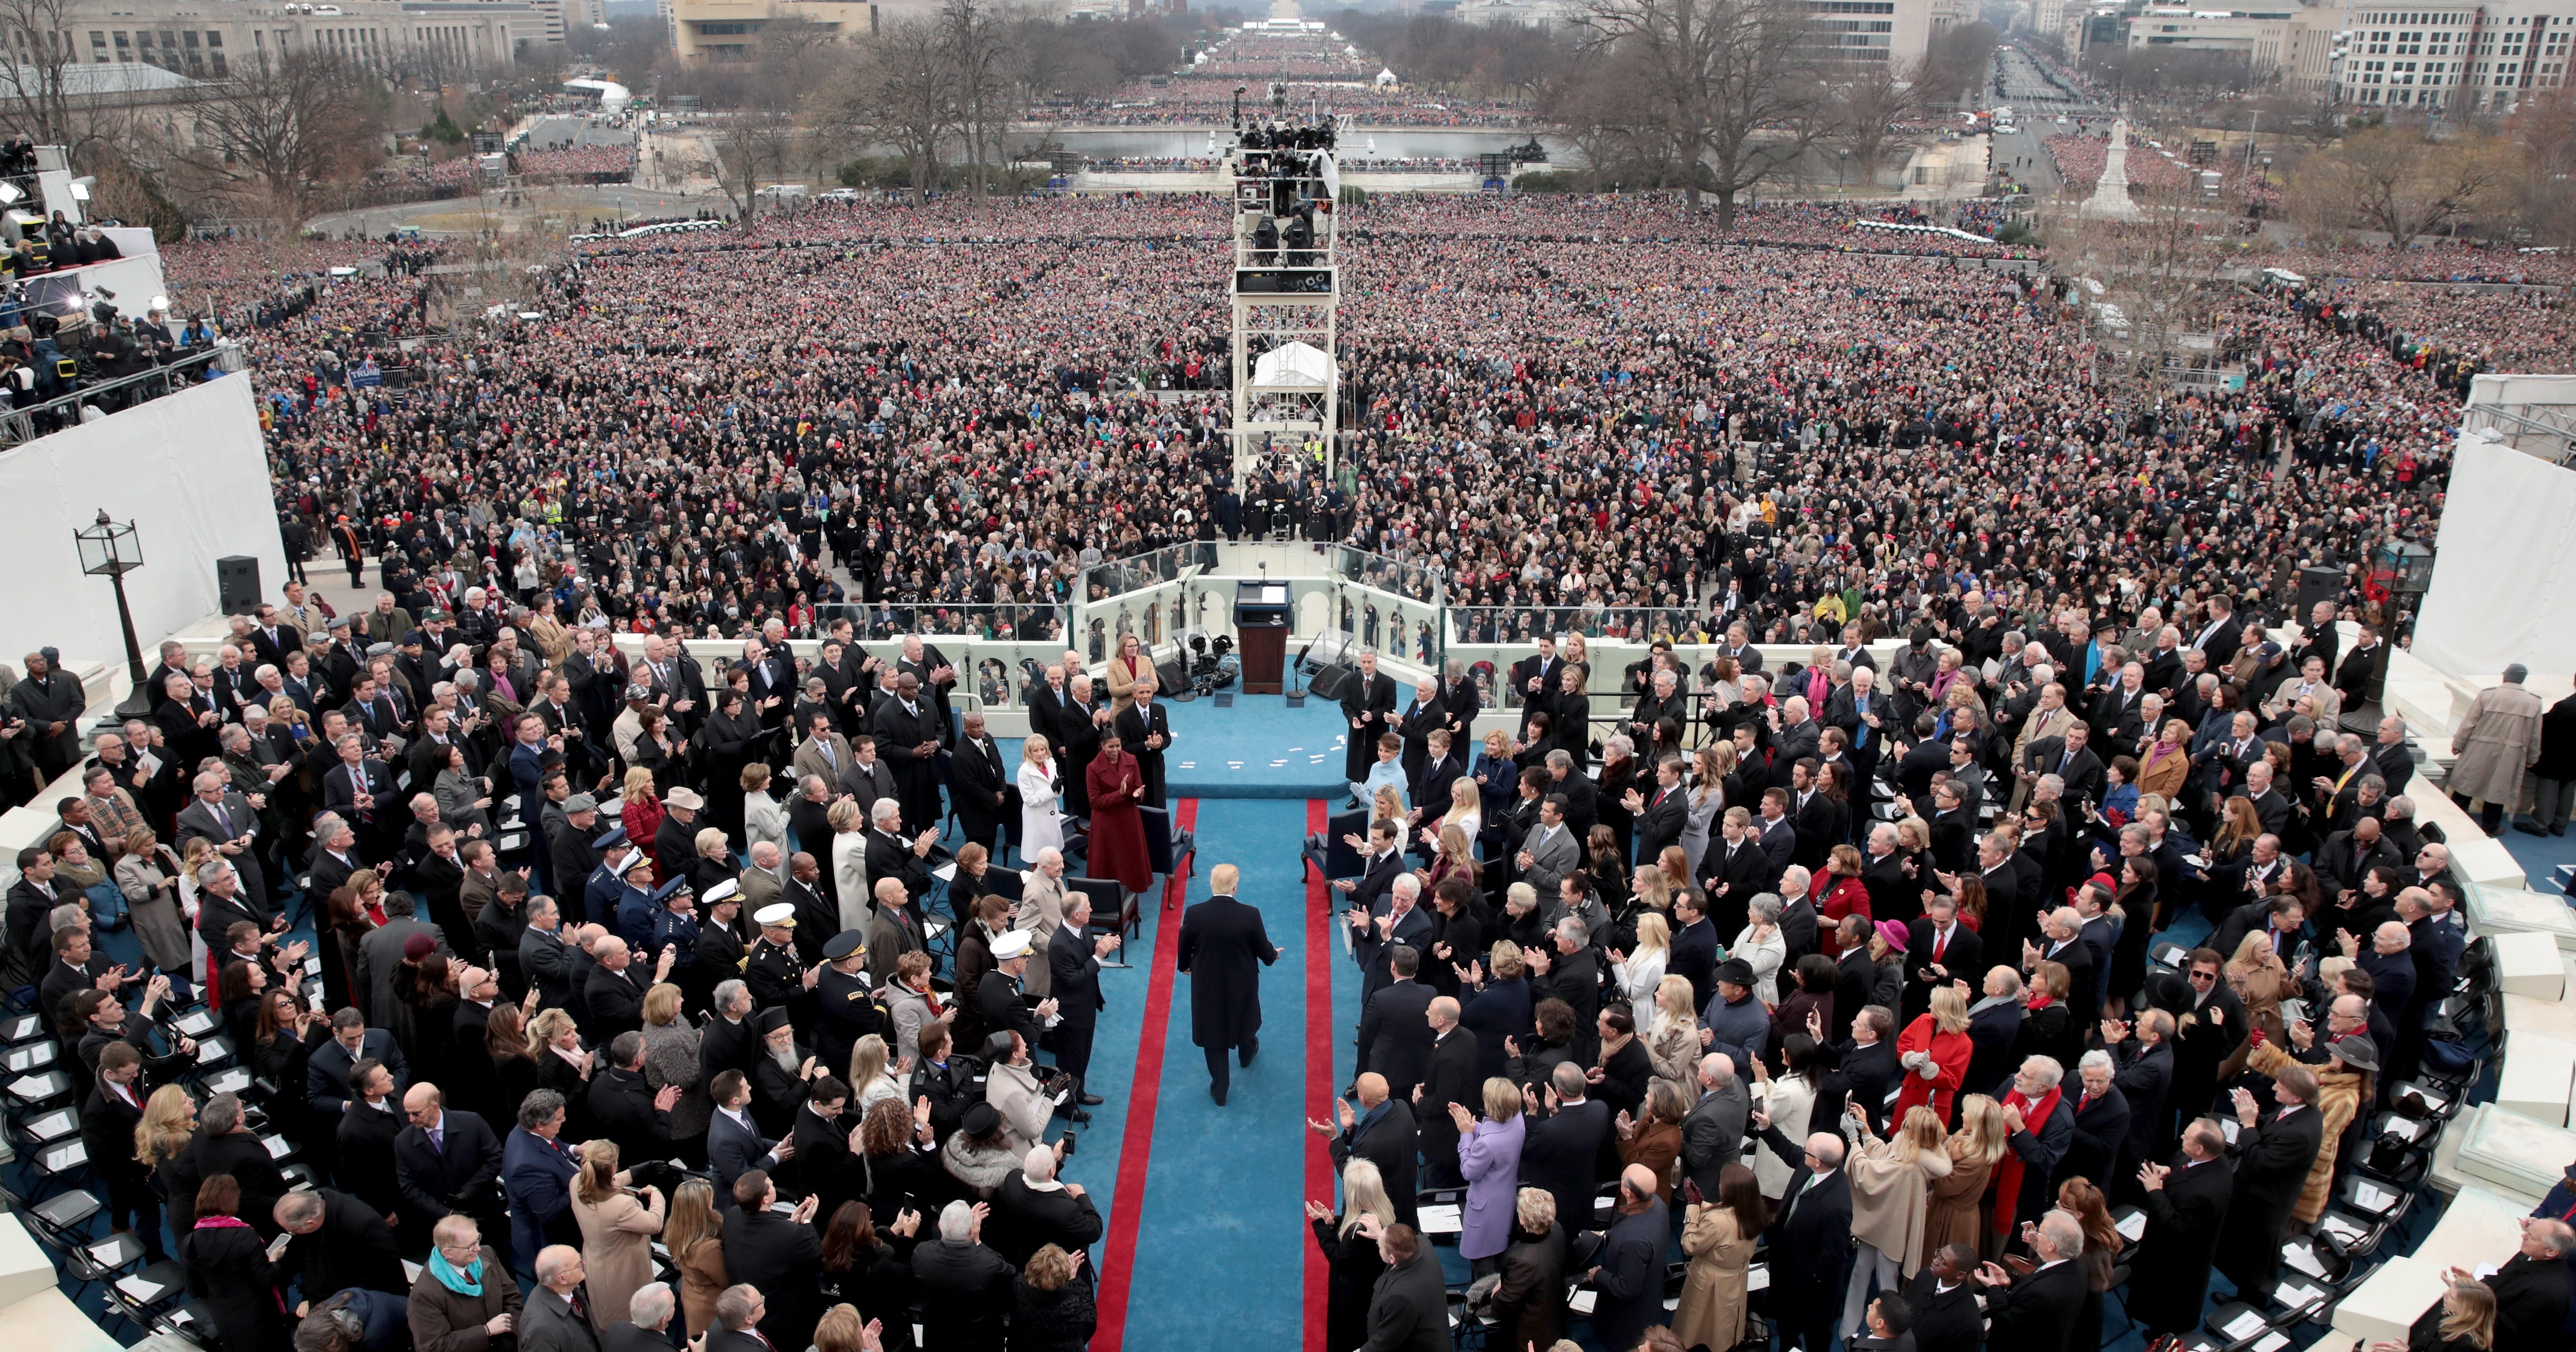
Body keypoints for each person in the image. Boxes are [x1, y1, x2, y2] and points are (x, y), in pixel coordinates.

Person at [2216, 1063, 2326, 1303]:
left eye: (2281, 1087)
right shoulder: (2298, 1109)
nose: (2275, 1088)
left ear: (2298, 1097)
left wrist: (2248, 1124)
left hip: (2266, 1203)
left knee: (2255, 1260)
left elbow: (2262, 1161)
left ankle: (2251, 1303)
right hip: (2257, 1193)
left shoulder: (2301, 1133)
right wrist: (2253, 1114)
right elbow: (2272, 1126)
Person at [1842, 1103, 1954, 1340]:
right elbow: (1886, 1156)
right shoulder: (1918, 1154)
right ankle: (1850, 1331)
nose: (1902, 1125)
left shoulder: (1908, 1167)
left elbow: (1868, 1174)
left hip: (1888, 1228)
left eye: (1907, 1124)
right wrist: (1866, 1132)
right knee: (1867, 1274)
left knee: (1886, 1285)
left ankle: (1886, 1336)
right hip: (1886, 1225)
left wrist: (1853, 1140)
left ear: (1914, 1132)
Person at [1750, 1103, 1854, 1352]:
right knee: (1787, 1330)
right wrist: (1768, 1128)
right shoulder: (1815, 1166)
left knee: (1815, 1338)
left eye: (1808, 1150)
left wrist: (1802, 1275)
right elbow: (1791, 1152)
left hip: (1811, 1291)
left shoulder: (1837, 1206)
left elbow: (1833, 1257)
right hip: (1787, 1272)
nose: (1803, 1151)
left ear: (1818, 1162)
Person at [1176, 863, 1277, 1105]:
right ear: (1234, 887)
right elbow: (1264, 950)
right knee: (1244, 1018)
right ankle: (1246, 1054)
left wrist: (1185, 966)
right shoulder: (1250, 914)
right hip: (1243, 982)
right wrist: (1274, 955)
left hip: (1207, 984)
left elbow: (1185, 945)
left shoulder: (1194, 913)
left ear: (1212, 885)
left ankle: (1220, 1090)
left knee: (1213, 1033)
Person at [2133, 1118, 2236, 1344]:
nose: (2181, 1137)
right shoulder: (2214, 1161)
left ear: (2200, 1149)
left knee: (2164, 1314)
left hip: (2177, 1266)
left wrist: (2155, 1191)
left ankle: (2161, 1341)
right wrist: (2170, 1173)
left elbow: (2177, 1230)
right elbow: (2189, 1173)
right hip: (2175, 1254)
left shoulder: (2206, 1193)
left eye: (2187, 1138)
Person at [180, 1174, 284, 1352]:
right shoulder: (245, 1235)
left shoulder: (190, 1241)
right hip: (258, 1313)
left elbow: (194, 1290)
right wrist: (273, 1261)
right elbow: (266, 1280)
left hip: (224, 1316)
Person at [569, 1138, 665, 1327]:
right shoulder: (621, 1206)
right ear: (612, 1168)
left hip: (597, 1268)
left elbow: (601, 1182)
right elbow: (655, 1224)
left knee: (608, 1320)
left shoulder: (576, 1183)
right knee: (633, 1322)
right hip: (623, 1275)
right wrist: (656, 1194)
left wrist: (632, 1173)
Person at [1673, 1161, 1764, 1352]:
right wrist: (1702, 1204)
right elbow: (1726, 1213)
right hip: (1736, 1278)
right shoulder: (1755, 1212)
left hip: (1709, 1281)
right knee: (1724, 1326)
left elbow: (1689, 1245)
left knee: (1695, 1325)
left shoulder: (1717, 1222)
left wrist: (1693, 1209)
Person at [1307, 1159, 1394, 1352]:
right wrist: (1334, 1222)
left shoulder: (1359, 1231)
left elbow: (1338, 1258)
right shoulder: (1382, 1211)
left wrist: (1321, 1226)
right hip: (1370, 1286)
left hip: (1354, 1298)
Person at [2450, 664, 2544, 836]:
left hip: (2479, 749)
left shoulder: (2488, 695)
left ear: (2505, 677)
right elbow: (2535, 735)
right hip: (2511, 754)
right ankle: (2491, 826)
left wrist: (2458, 744)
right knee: (2498, 791)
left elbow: (2469, 723)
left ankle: (2454, 822)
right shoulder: (2534, 702)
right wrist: (2533, 757)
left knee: (2466, 786)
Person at [1971, 1211, 2088, 1349]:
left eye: (2039, 1233)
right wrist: (2009, 1283)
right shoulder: (2078, 1266)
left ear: (2051, 1246)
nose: (2035, 1235)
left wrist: (1994, 1288)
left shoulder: (2040, 1293)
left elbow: (2005, 1322)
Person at [408, 1214, 524, 1352]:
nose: (478, 1248)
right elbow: (435, 1347)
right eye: (470, 1246)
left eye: (477, 1240)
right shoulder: (424, 1295)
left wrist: (508, 1332)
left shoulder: (486, 1255)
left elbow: (512, 1297)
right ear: (448, 1253)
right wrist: (486, 1331)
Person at [911, 1198, 1014, 1349]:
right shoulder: (989, 1264)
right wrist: (976, 1240)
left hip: (938, 1342)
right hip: (980, 1344)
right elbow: (1010, 1274)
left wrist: (961, 1222)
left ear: (939, 1226)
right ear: (972, 1230)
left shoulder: (922, 1254)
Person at [1454, 1075, 1527, 1277]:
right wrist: (1474, 1128)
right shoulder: (1518, 1120)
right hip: (1505, 1200)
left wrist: (1466, 1135)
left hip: (1484, 1209)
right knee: (1500, 1254)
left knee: (1483, 1267)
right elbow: (1497, 1133)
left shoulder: (1487, 1145)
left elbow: (1469, 1171)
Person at [1486, 1186, 1568, 1352]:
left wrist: (1496, 1293)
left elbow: (1503, 1305)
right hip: (1554, 1315)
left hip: (1531, 1332)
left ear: (1523, 1220)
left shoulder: (1524, 1260)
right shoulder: (1557, 1230)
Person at [1361, 1223, 1448, 1352]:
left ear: (1392, 1258)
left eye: (1380, 1247)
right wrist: (1384, 1237)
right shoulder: (1422, 1243)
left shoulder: (1401, 1298)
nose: (1379, 1246)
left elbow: (1386, 1340)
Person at [2372, 1278, 2498, 1352]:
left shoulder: (2466, 1346)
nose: (2445, 1294)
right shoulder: (2449, 1316)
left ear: (2466, 1309)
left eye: (2451, 1297)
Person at [518, 1245, 599, 1352]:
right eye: (578, 1265)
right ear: (562, 1279)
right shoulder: (541, 1331)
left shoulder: (567, 1289)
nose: (584, 1263)